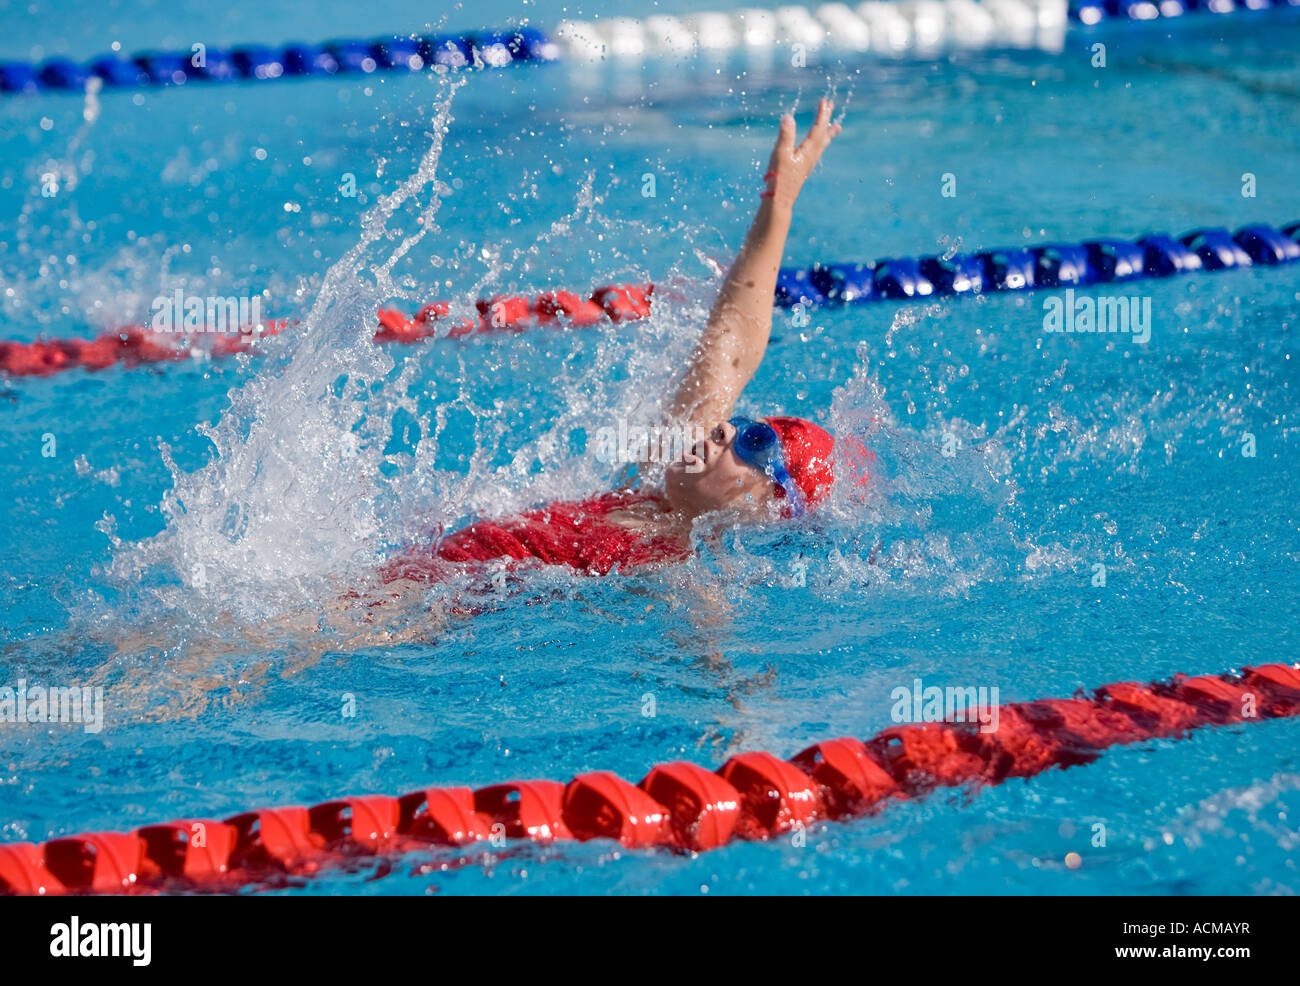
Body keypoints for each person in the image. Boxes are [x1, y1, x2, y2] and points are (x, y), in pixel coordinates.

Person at [383, 99, 855, 586]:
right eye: (741, 425)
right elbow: (731, 338)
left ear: (768, 506)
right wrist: (780, 202)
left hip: (429, 611)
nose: (726, 432)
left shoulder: (679, 568)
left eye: (756, 445)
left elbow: (705, 647)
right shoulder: (653, 481)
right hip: (417, 575)